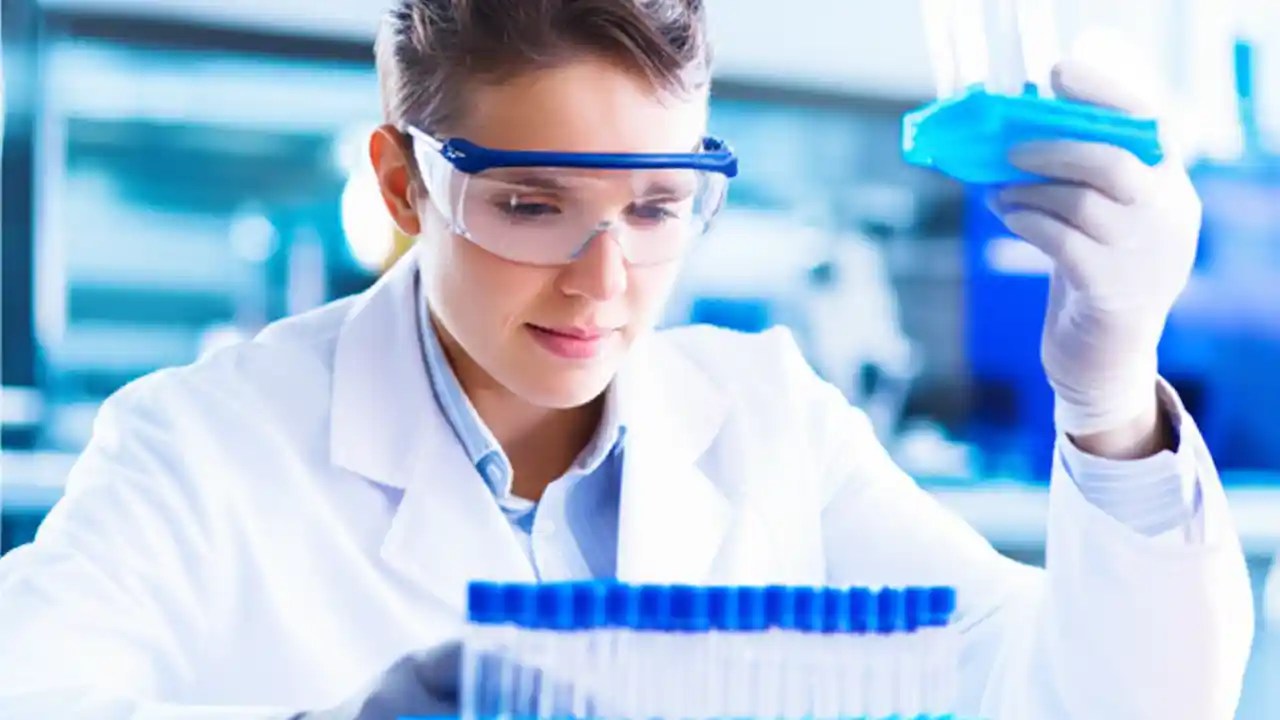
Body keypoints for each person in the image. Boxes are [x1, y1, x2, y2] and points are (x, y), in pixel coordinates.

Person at [0, 1, 1253, 718]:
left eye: (656, 208)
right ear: (400, 182)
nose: (603, 284)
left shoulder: (767, 423)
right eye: (531, 205)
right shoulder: (202, 446)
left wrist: (1108, 403)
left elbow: (1094, 700)